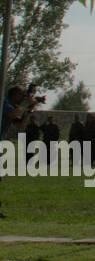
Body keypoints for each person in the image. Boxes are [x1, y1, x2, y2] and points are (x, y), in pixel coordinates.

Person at [1, 85, 38, 219]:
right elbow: (13, 114)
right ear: (15, 94)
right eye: (21, 95)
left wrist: (29, 109)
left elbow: (20, 124)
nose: (23, 98)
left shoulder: (12, 105)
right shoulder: (3, 102)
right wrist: (26, 104)